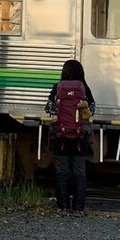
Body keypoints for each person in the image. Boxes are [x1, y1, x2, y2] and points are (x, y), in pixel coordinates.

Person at [45, 58, 95, 215]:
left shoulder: (57, 88)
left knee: (62, 171)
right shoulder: (84, 88)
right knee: (79, 172)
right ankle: (79, 209)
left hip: (61, 137)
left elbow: (49, 109)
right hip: (80, 138)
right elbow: (92, 110)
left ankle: (62, 207)